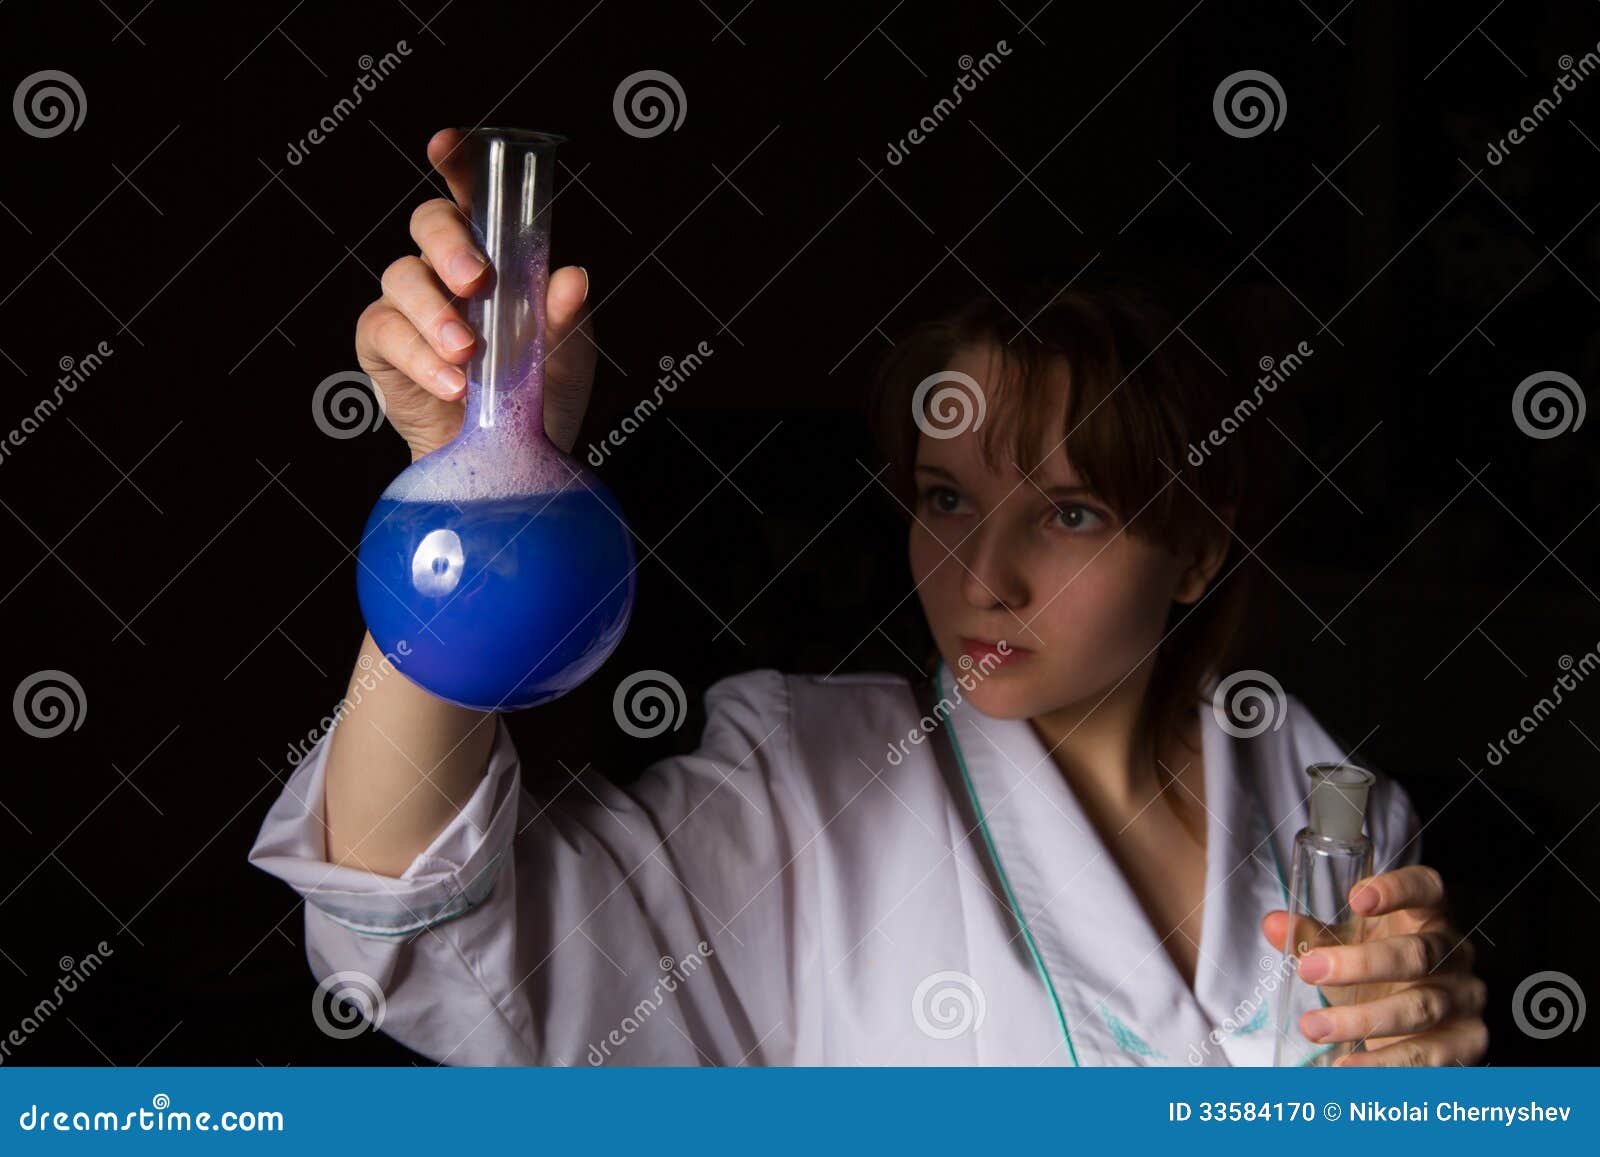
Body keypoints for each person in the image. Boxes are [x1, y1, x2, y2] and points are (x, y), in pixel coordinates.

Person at [249, 128, 1489, 1067]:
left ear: (1202, 548)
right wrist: (464, 487)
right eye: (945, 497)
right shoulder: (809, 784)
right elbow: (414, 914)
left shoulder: (1338, 817)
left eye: (1068, 513)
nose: (983, 577)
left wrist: (1435, 1080)